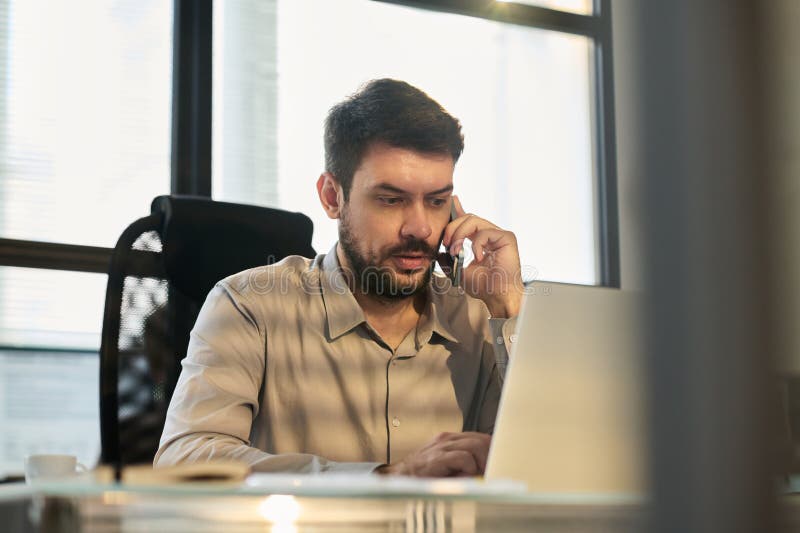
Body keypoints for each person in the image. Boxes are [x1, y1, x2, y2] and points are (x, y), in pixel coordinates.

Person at [154, 79, 524, 477]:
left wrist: (507, 312)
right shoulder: (248, 305)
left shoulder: (479, 320)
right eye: (391, 199)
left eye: (436, 202)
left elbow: (537, 468)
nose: (420, 228)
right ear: (333, 197)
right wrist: (384, 480)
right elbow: (186, 458)